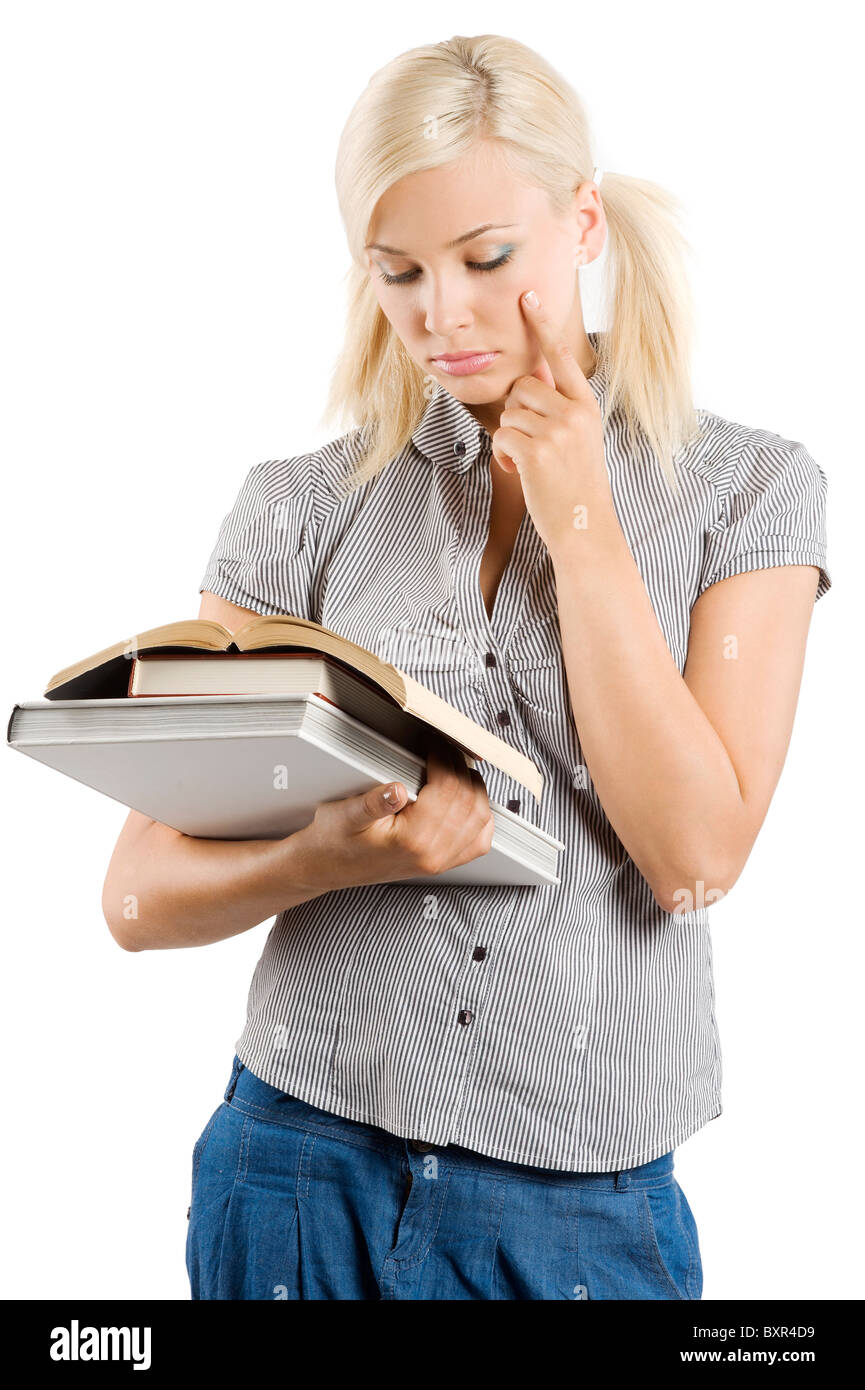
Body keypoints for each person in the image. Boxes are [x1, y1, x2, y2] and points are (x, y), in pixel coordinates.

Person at [102, 33, 832, 1301]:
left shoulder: (749, 491)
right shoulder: (299, 509)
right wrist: (329, 854)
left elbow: (695, 857)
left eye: (485, 259)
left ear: (582, 222)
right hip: (294, 1171)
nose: (440, 314)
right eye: (398, 271)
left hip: (579, 1216)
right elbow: (136, 895)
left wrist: (583, 521)